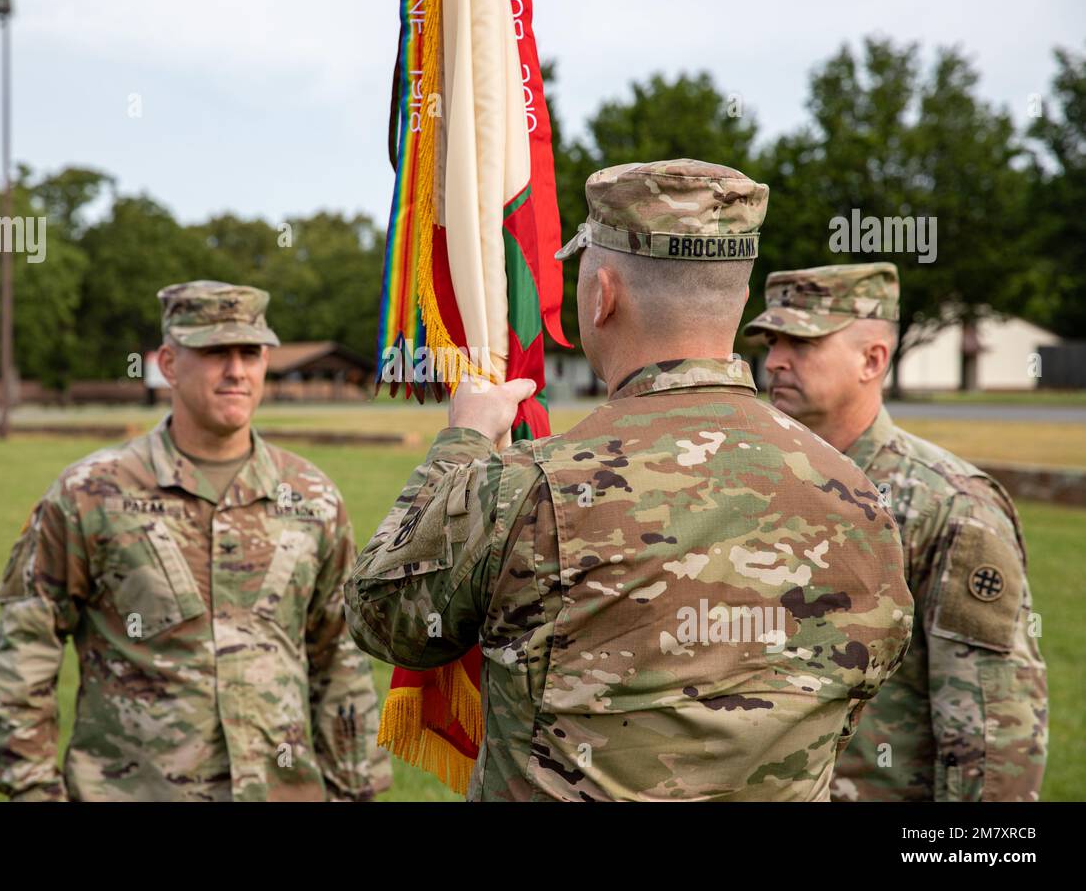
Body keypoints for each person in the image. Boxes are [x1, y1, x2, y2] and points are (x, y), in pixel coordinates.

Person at [345, 160, 914, 801]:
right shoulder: (860, 499)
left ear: (602, 295)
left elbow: (381, 616)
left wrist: (464, 443)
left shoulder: (526, 488)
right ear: (738, 300)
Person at [0, 280, 390, 801]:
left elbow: (340, 657)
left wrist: (353, 790)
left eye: (251, 353)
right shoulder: (91, 493)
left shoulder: (312, 498)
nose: (236, 371)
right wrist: (34, 789)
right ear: (170, 364)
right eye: (216, 352)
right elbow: (26, 648)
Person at [746, 261, 1048, 801]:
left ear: (872, 359)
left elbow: (992, 732)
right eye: (772, 342)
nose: (774, 362)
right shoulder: (759, 486)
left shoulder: (949, 506)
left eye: (801, 343)